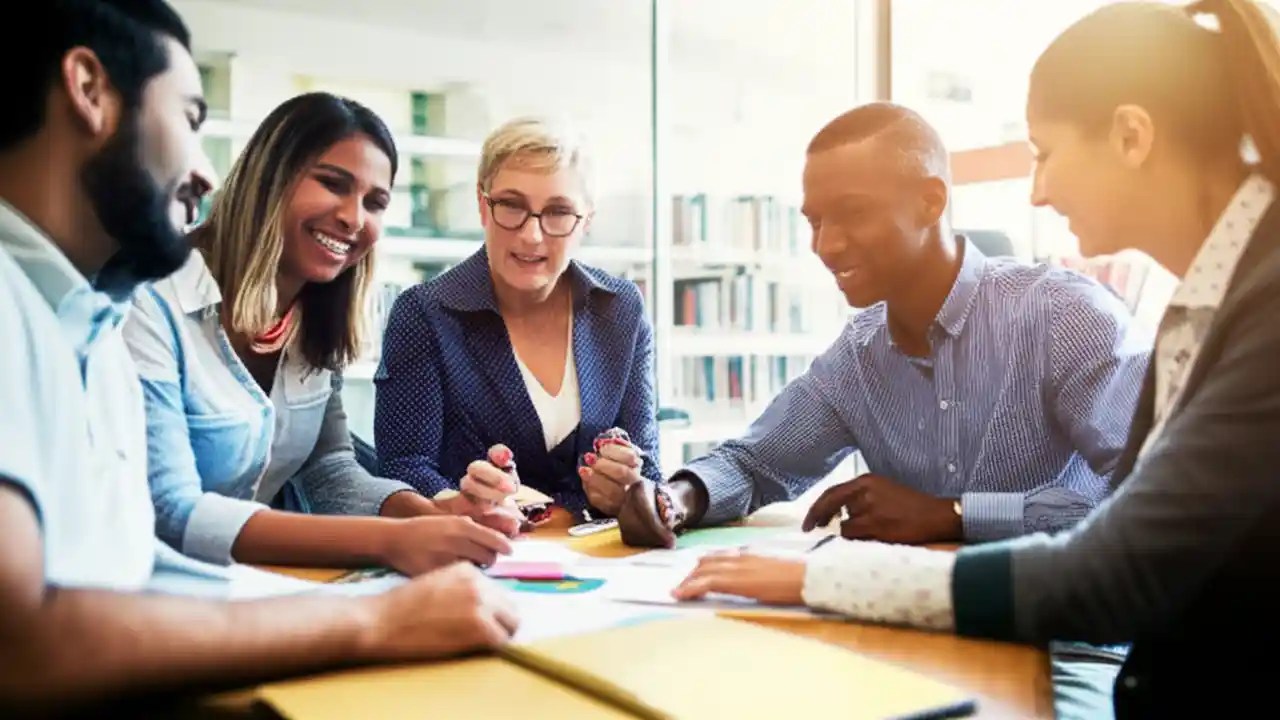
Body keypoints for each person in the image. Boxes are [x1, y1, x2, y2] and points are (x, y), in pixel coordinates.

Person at [672, 2, 1280, 716]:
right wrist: (678, 492)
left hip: (1070, 652)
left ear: (1131, 135)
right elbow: (757, 459)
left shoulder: (1213, 310)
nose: (1037, 190)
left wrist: (838, 571)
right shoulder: (1207, 304)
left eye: (1045, 152)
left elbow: (1115, 560)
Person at [0, 2, 515, 713]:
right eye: (188, 119)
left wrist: (422, 517)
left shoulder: (81, 314)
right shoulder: (95, 309)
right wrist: (377, 610)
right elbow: (26, 637)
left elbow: (129, 563)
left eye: (376, 201)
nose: (206, 177)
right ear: (88, 90)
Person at [599, 102, 1149, 549]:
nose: (825, 245)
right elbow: (754, 462)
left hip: (1063, 639)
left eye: (852, 213)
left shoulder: (1067, 316)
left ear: (931, 202)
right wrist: (677, 498)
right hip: (913, 627)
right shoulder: (858, 354)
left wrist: (952, 515)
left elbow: (1149, 496)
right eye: (815, 221)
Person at [124, 92, 519, 577]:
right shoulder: (149, 298)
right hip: (143, 600)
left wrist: (438, 518)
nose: (355, 218)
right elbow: (168, 508)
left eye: (375, 203)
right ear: (268, 180)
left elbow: (327, 468)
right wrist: (395, 540)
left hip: (256, 588)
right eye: (333, 184)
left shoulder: (314, 315)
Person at [374, 116, 661, 520]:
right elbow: (403, 469)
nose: (532, 235)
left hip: (600, 560)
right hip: (478, 554)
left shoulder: (620, 308)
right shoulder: (425, 314)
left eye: (558, 212)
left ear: (586, 223)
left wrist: (627, 487)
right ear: (482, 205)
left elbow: (650, 470)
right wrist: (456, 500)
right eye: (511, 206)